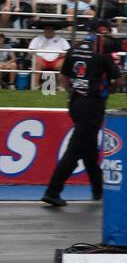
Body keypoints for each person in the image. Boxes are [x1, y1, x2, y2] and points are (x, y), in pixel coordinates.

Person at [42, 20, 121, 207]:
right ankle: (52, 190)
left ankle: (98, 190)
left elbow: (63, 77)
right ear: (102, 32)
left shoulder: (74, 48)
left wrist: (74, 93)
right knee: (75, 150)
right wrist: (108, 90)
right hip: (93, 105)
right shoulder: (103, 52)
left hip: (76, 102)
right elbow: (118, 80)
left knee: (89, 150)